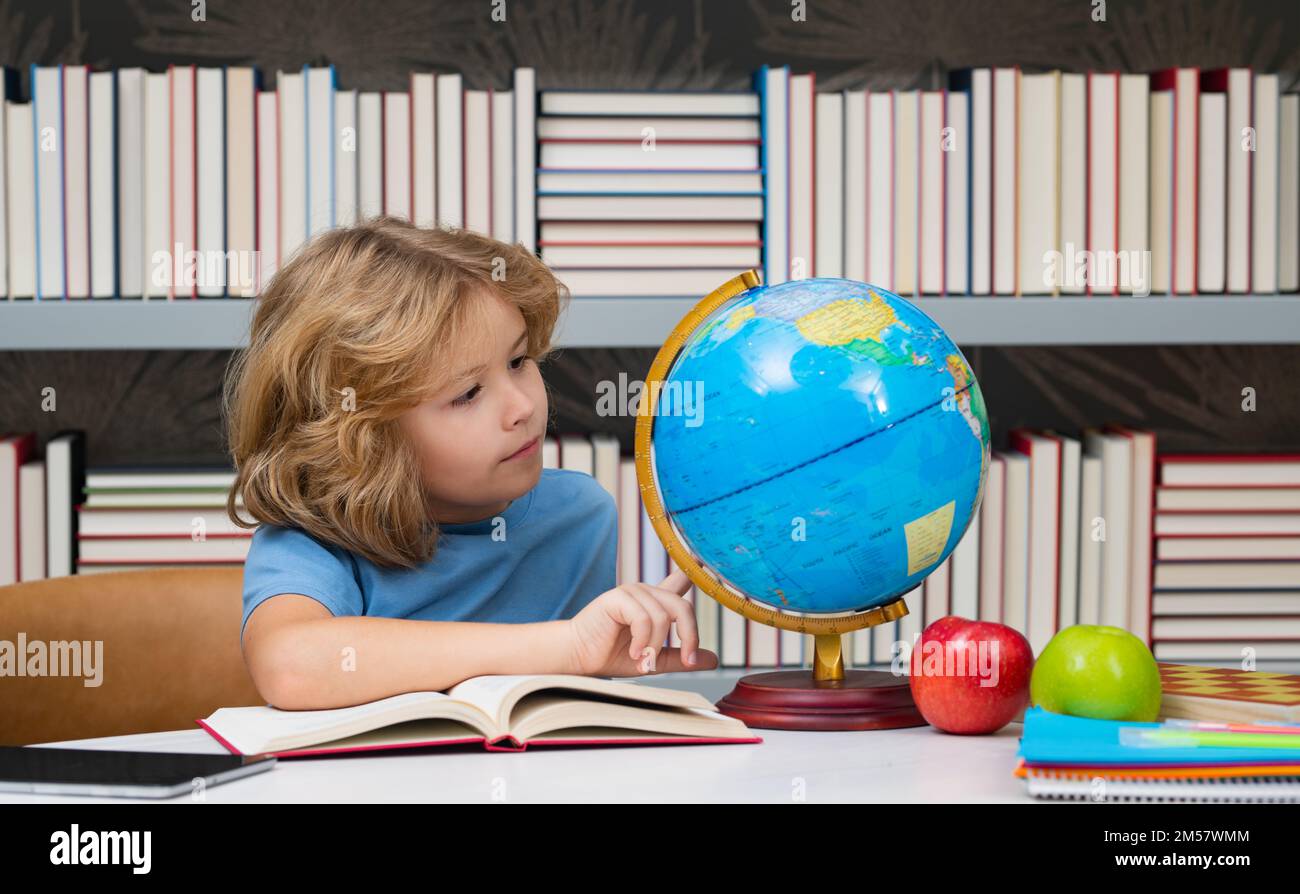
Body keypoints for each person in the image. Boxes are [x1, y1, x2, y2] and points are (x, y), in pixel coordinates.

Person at [223, 216, 717, 710]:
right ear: (364, 437)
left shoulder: (579, 515)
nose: (522, 407)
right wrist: (566, 646)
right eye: (467, 393)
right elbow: (291, 667)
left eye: (518, 361)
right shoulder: (314, 542)